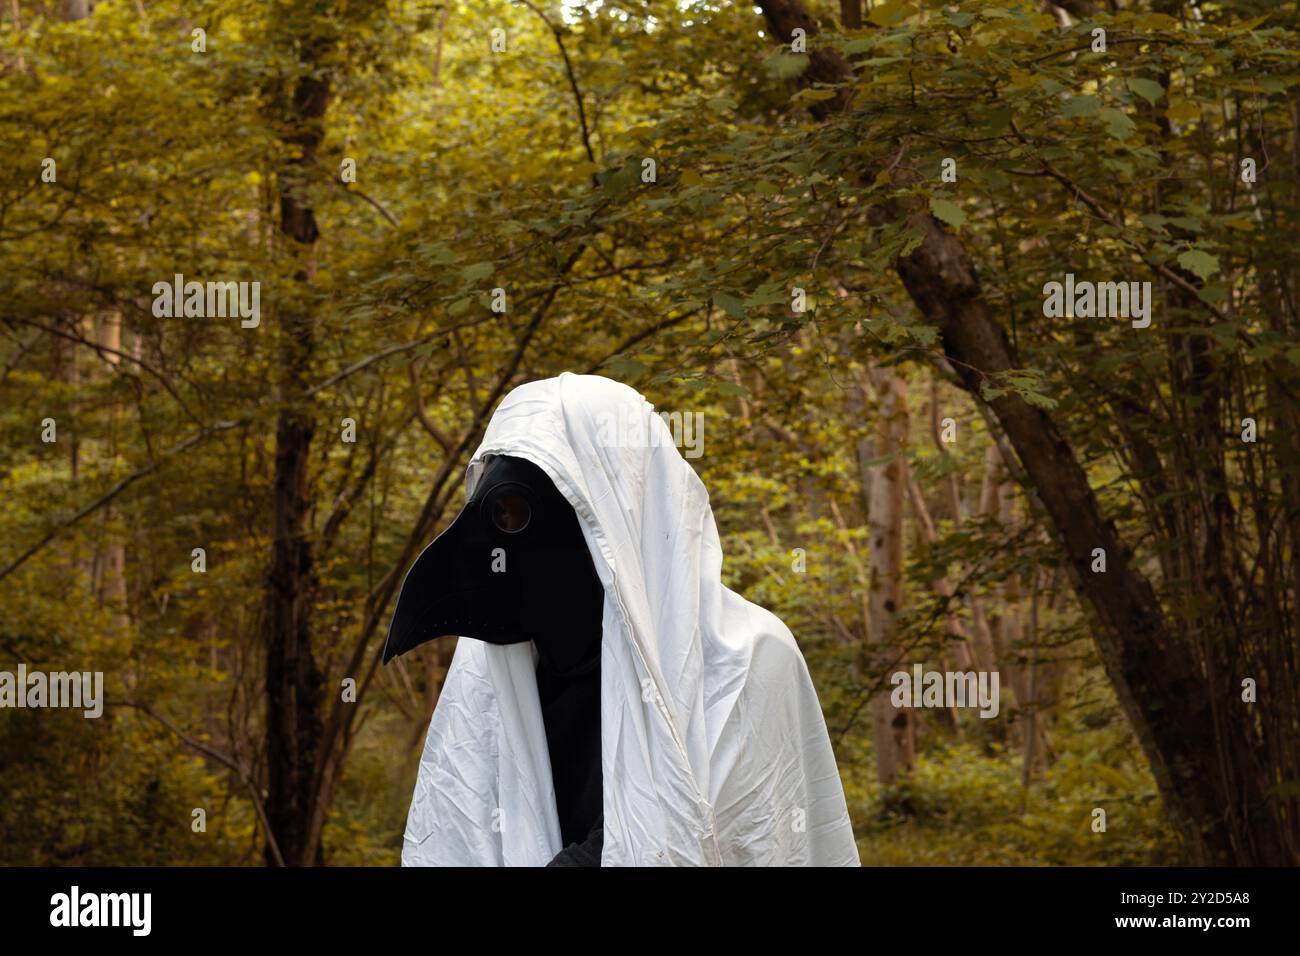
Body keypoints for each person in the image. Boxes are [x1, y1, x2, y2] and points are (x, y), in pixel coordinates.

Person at [384, 373, 859, 866]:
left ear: (621, 504)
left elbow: (692, 830)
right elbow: (457, 827)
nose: (517, 539)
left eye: (538, 506)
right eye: (499, 512)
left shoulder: (745, 657)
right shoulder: (489, 660)